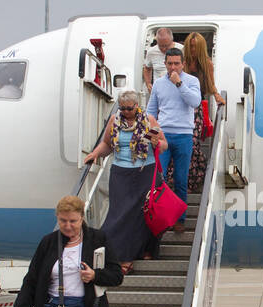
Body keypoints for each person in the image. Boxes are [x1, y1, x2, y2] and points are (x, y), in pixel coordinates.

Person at [83, 91, 168, 273]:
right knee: (119, 214)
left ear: (137, 105)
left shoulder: (148, 121)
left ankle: (140, 252)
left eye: (129, 108)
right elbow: (107, 144)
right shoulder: (115, 121)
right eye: (123, 108)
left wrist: (156, 143)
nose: (126, 111)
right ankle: (119, 255)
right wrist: (95, 154)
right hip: (121, 172)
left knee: (142, 213)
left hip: (145, 170)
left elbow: (163, 144)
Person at [144, 47, 200, 218]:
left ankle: (180, 218)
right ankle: (160, 214)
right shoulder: (159, 83)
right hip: (163, 134)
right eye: (170, 64)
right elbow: (151, 111)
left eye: (177, 63)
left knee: (181, 180)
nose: (173, 67)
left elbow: (195, 102)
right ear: (165, 64)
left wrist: (179, 84)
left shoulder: (191, 81)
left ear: (183, 64)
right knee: (158, 177)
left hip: (184, 135)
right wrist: (149, 135)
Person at [183, 32, 226, 195]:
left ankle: (193, 179)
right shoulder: (183, 63)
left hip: (196, 108)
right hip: (181, 108)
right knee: (182, 145)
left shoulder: (207, 64)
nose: (192, 49)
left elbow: (210, 84)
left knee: (192, 143)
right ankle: (183, 179)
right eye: (190, 46)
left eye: (195, 47)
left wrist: (216, 95)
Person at [142, 27, 177, 92]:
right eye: (160, 46)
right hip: (159, 90)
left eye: (166, 46)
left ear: (172, 40)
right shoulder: (151, 52)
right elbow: (147, 68)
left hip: (176, 89)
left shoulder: (181, 49)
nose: (163, 49)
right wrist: (148, 83)